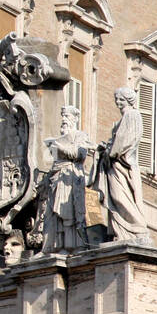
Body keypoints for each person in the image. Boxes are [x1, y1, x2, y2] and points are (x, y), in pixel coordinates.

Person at [94, 87, 152, 246]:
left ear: (128, 100)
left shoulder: (132, 115)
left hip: (123, 164)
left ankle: (137, 228)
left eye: (121, 100)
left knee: (120, 196)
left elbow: (125, 140)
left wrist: (110, 151)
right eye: (117, 100)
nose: (118, 103)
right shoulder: (124, 118)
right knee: (116, 197)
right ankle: (121, 232)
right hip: (116, 164)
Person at [41, 105, 94, 253]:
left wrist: (60, 147)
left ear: (75, 119)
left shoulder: (80, 136)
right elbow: (50, 158)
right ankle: (58, 245)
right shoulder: (60, 137)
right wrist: (52, 147)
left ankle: (73, 245)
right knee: (55, 213)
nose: (64, 119)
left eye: (67, 116)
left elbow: (81, 154)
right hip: (58, 175)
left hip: (71, 176)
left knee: (69, 210)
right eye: (63, 116)